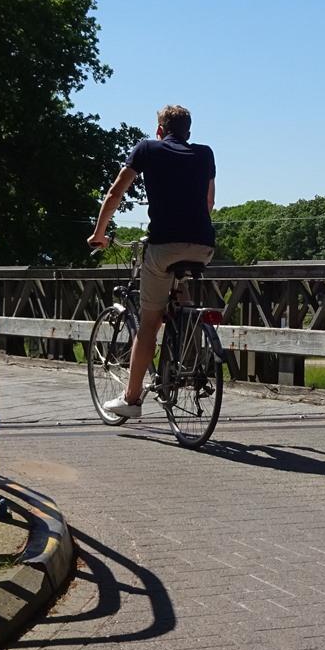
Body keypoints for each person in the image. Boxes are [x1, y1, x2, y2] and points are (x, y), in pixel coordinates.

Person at [87, 104, 216, 419]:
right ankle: (191, 360)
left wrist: (99, 234)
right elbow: (209, 202)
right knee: (178, 296)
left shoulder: (147, 148)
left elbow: (116, 193)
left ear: (160, 130)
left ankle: (131, 399)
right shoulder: (205, 153)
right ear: (188, 131)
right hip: (203, 246)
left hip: (163, 247)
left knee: (149, 324)